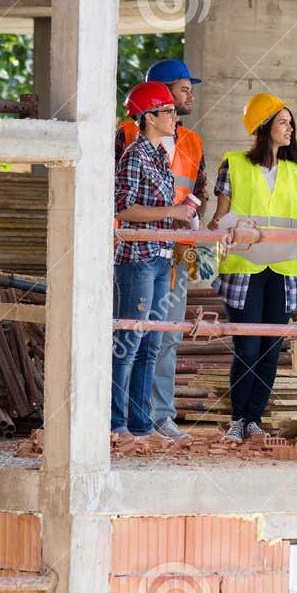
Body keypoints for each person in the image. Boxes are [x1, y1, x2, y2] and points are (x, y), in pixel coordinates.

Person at [115, 58, 207, 442]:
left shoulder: (176, 147)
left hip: (167, 253)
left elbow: (194, 189)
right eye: (169, 107)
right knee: (130, 342)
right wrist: (172, 212)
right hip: (137, 257)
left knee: (155, 342)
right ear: (151, 113)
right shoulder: (130, 147)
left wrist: (187, 224)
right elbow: (120, 204)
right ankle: (117, 424)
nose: (178, 109)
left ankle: (146, 422)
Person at [212, 92, 297, 443]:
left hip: (282, 267)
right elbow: (218, 219)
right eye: (283, 121)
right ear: (264, 127)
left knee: (269, 349)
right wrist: (229, 228)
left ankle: (254, 420)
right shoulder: (234, 164)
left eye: (291, 121)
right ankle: (238, 418)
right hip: (244, 267)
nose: (290, 128)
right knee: (248, 347)